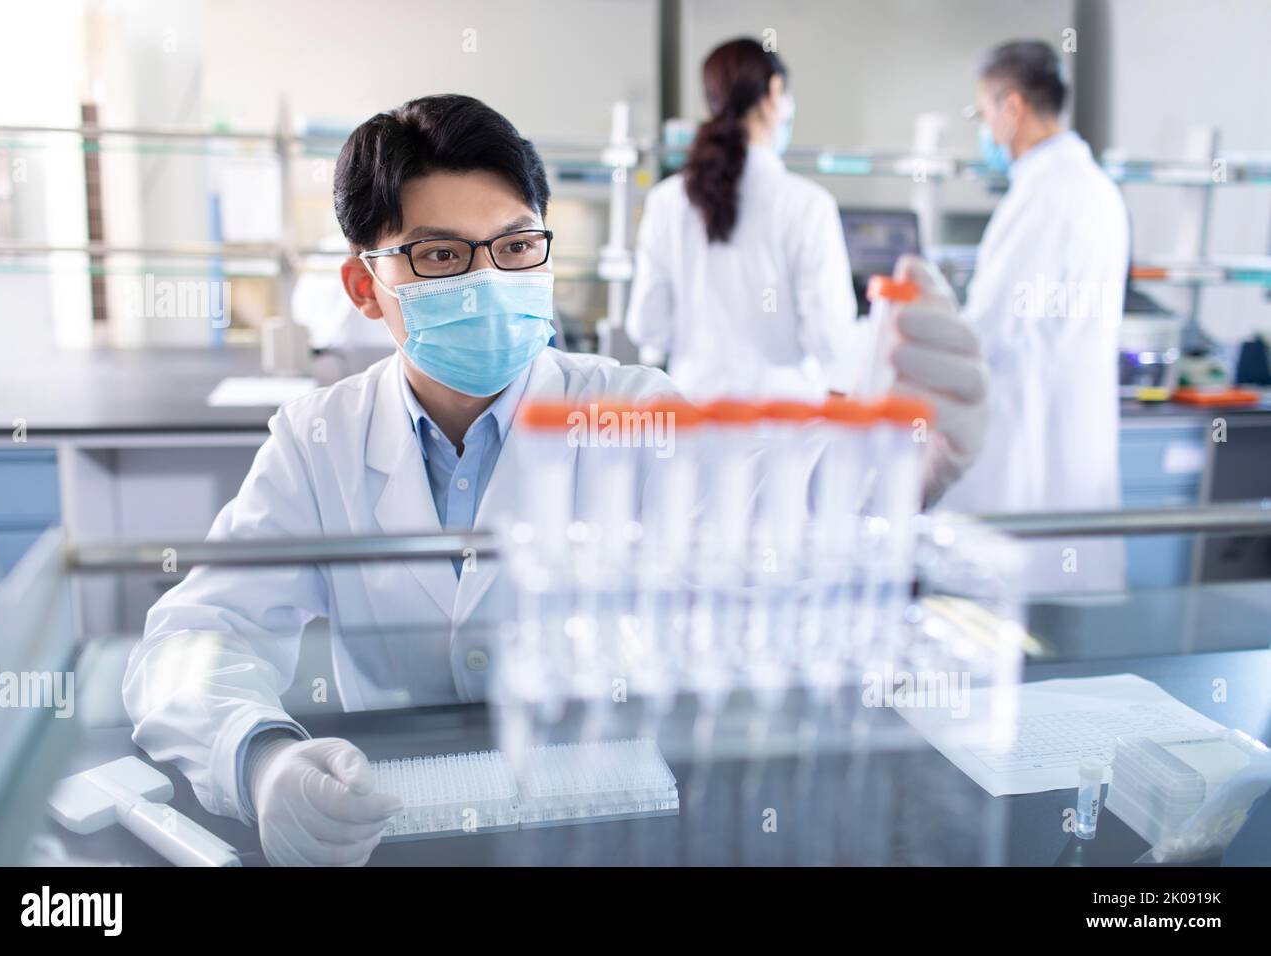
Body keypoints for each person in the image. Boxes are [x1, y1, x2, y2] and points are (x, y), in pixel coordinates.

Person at [123, 94, 988, 867]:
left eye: (514, 246)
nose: (489, 281)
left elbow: (777, 506)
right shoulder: (321, 440)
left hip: (610, 830)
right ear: (363, 284)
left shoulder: (630, 410)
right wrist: (260, 756)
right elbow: (193, 639)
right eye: (438, 256)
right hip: (398, 830)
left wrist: (894, 468)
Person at [937, 40, 1130, 595]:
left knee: (1013, 625)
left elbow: (988, 335)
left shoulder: (1041, 197)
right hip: (1074, 436)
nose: (986, 130)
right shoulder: (1098, 191)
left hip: (1025, 442)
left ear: (1012, 107)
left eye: (983, 113)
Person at [625, 38, 860, 401]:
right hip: (785, 423)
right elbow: (829, 337)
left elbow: (647, 325)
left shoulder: (666, 200)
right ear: (774, 91)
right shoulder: (808, 204)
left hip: (693, 413)